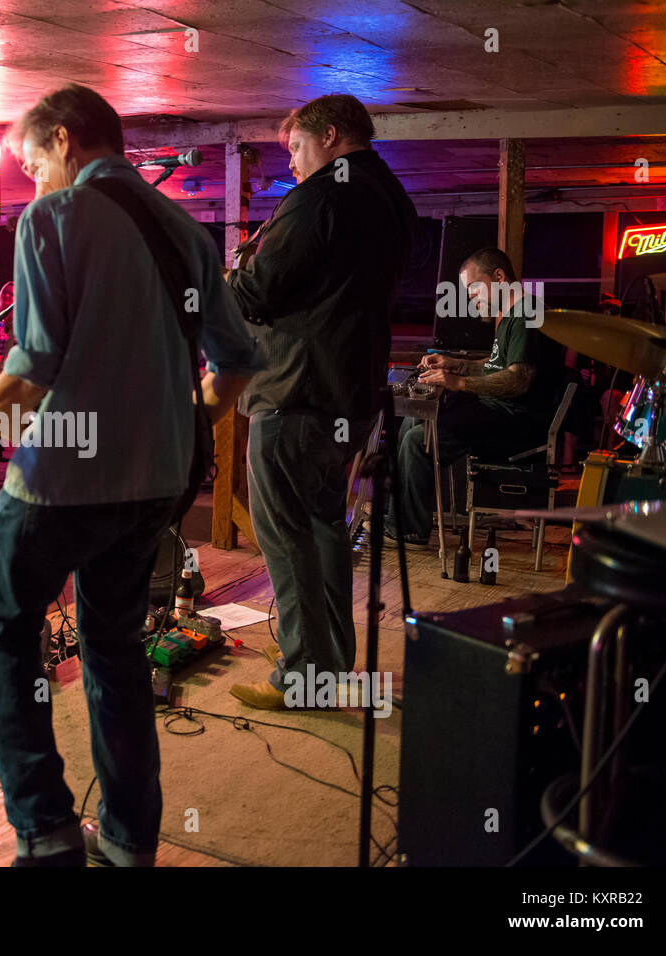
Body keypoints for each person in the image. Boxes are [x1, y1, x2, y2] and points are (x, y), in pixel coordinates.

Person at [0, 84, 261, 867]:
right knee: (114, 647)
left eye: (34, 165)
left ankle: (47, 832)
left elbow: (33, 369)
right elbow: (238, 361)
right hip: (158, 482)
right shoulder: (185, 232)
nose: (32, 183)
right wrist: (180, 420)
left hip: (66, 478)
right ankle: (132, 843)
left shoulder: (53, 219)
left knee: (1, 622)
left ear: (65, 141)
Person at [225, 93, 416, 712]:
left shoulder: (322, 195)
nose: (294, 165)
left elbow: (257, 291)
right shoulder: (392, 197)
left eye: (297, 149)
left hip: (295, 392)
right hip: (348, 394)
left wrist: (233, 271)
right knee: (324, 529)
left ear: (330, 136)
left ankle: (305, 674)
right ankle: (329, 667)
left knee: (286, 537)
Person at [385, 247, 561, 545]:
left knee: (419, 441)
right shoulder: (510, 314)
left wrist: (457, 382)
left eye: (474, 289)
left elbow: (518, 379)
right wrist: (456, 363)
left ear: (499, 277)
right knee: (413, 421)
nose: (470, 298)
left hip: (516, 421)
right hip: (497, 410)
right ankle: (399, 518)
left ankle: (411, 529)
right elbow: (495, 367)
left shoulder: (528, 314)